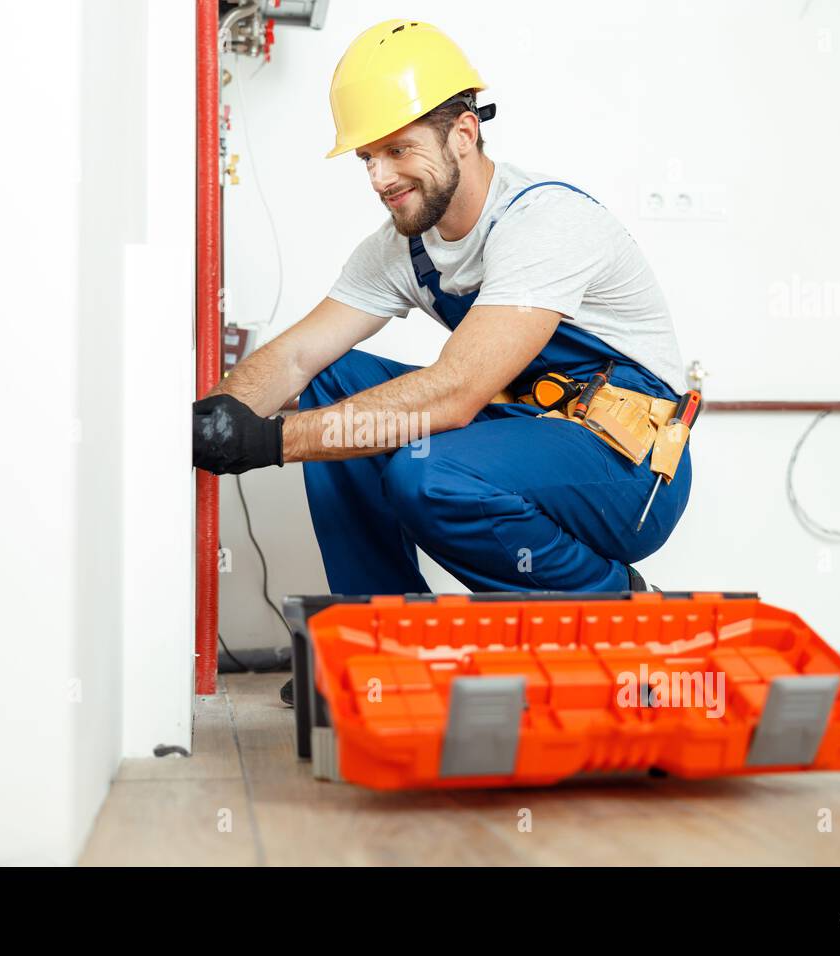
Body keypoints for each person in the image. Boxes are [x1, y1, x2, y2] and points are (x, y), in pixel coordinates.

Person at [193, 20, 693, 705]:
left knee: (429, 477)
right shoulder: (405, 246)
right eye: (366, 156)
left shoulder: (543, 224)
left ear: (463, 133)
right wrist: (217, 415)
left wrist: (271, 442)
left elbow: (455, 396)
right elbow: (299, 354)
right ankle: (386, 645)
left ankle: (621, 606)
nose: (378, 176)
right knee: (334, 380)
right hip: (524, 431)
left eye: (397, 150)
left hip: (629, 468)